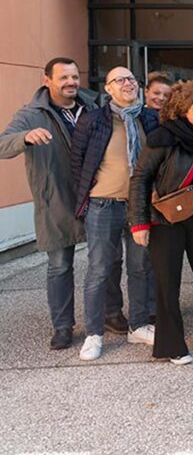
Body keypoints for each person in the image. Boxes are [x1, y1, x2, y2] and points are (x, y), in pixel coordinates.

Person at [128, 80, 193, 365]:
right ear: (182, 110)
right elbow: (140, 178)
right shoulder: (164, 137)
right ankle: (172, 345)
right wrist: (139, 222)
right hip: (166, 218)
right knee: (167, 283)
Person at [0, 57, 97, 350]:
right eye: (63, 78)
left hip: (94, 198)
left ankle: (109, 315)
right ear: (47, 81)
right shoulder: (31, 114)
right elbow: (3, 144)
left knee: (105, 263)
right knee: (59, 266)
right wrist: (25, 137)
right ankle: (63, 326)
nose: (71, 83)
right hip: (55, 200)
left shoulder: (92, 107)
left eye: (74, 77)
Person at [70, 66, 159, 361]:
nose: (128, 84)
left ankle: (139, 325)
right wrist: (85, 189)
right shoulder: (94, 118)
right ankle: (94, 334)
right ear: (108, 88)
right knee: (99, 269)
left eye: (132, 79)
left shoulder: (149, 117)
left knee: (140, 267)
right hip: (103, 204)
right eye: (119, 80)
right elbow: (76, 161)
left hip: (140, 205)